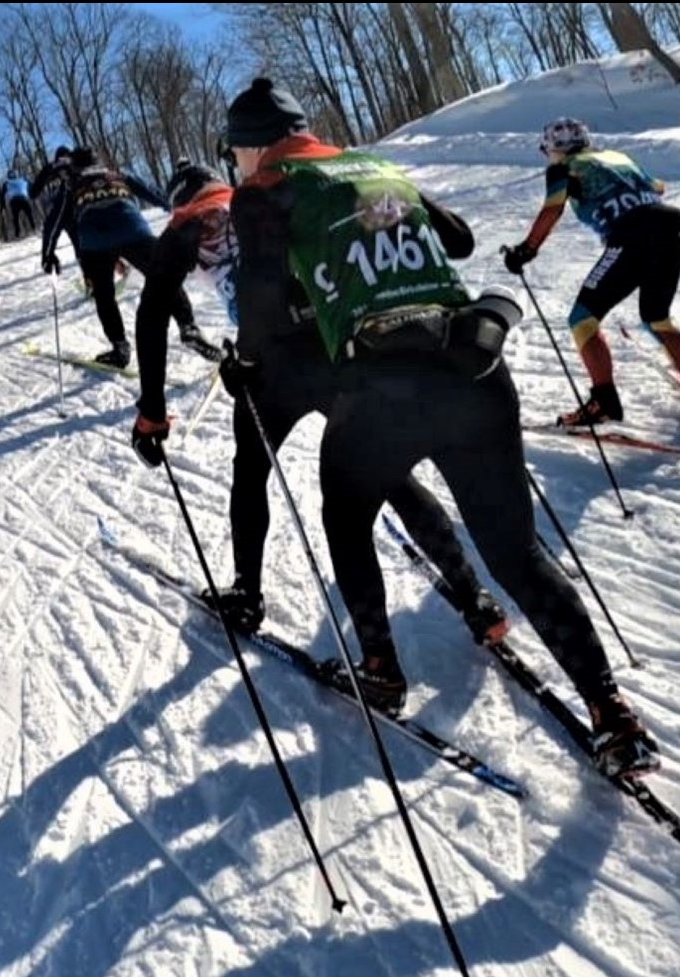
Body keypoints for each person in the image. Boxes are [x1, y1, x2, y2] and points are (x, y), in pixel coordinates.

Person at [203, 77, 655, 778]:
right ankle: (611, 712)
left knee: (348, 516)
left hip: (384, 383)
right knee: (517, 553)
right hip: (472, 366)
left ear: (255, 147)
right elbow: (460, 237)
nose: (237, 166)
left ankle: (380, 666)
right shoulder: (374, 166)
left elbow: (260, 300)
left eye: (236, 153)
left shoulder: (265, 191)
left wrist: (249, 363)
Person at [128, 160, 515, 669]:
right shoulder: (270, 197)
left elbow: (153, 310)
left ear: (182, 201)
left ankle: (247, 593)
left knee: (251, 472)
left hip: (266, 367)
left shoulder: (189, 223)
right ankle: (474, 597)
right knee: (391, 474)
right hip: (336, 351)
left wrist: (152, 412)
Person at [500, 117, 680, 428]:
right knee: (657, 318)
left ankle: (604, 403)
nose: (546, 156)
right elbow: (658, 186)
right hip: (669, 233)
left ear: (553, 149)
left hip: (631, 241)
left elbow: (553, 208)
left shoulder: (563, 168)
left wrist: (526, 250)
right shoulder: (618, 156)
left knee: (582, 319)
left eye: (545, 150)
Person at [40, 147, 204, 368]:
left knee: (104, 295)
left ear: (75, 166)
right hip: (132, 229)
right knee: (164, 275)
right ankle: (188, 325)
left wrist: (48, 255)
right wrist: (178, 209)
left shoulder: (72, 184)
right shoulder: (117, 173)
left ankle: (120, 347)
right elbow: (151, 192)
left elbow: (54, 221)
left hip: (94, 240)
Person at [0, 168, 36, 241]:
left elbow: (2, 195)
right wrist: (32, 194)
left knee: (15, 217)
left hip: (14, 201)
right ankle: (33, 228)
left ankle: (17, 233)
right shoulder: (23, 179)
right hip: (23, 199)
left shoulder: (7, 183)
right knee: (29, 214)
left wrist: (3, 207)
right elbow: (32, 186)